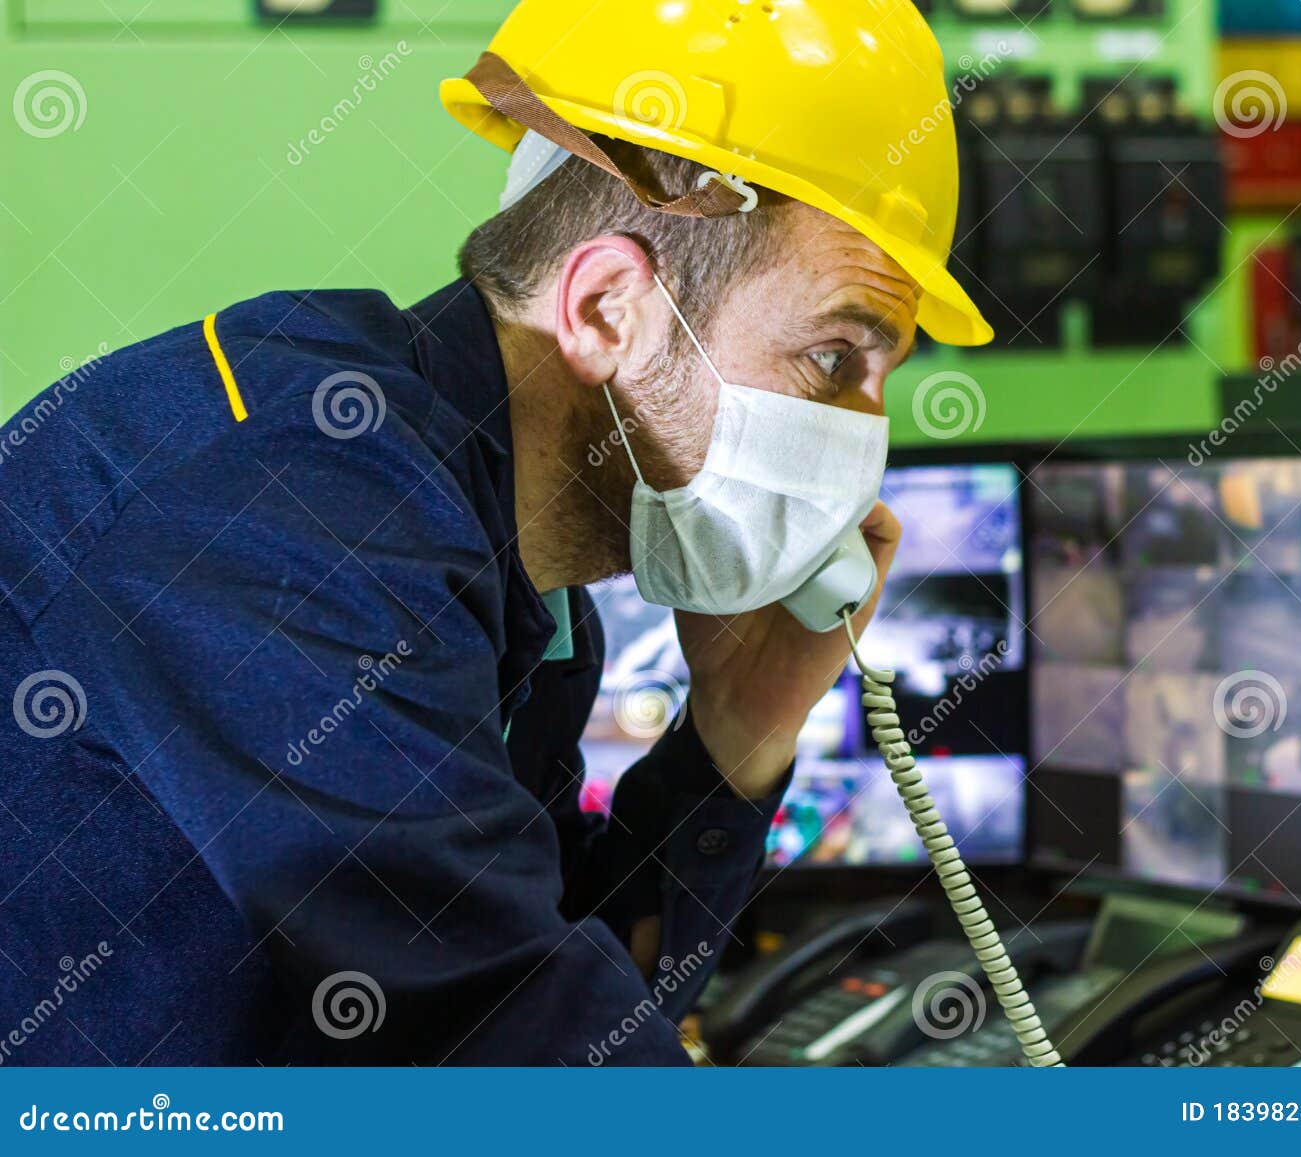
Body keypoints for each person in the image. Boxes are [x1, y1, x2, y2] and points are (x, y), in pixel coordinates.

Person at [0, 0, 991, 1064]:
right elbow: (510, 1040)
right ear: (609, 308)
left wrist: (734, 737)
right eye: (836, 360)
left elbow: (579, 986)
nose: (865, 442)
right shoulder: (279, 506)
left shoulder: (531, 593)